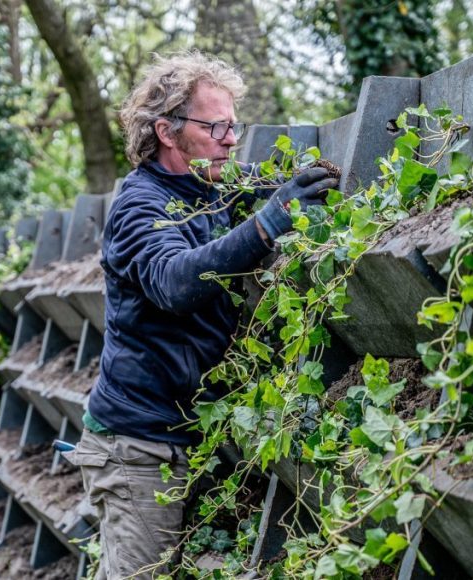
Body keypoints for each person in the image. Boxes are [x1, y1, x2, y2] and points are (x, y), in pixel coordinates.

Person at [66, 53, 338, 578]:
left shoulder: (209, 188)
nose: (230, 140)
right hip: (138, 446)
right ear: (167, 131)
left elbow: (265, 183)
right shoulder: (140, 206)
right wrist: (268, 222)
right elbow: (175, 282)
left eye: (233, 126)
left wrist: (297, 183)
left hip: (183, 437)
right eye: (215, 127)